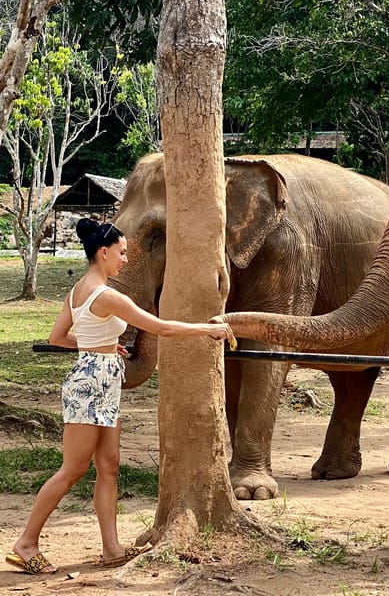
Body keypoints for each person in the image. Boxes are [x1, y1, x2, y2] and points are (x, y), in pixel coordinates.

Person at [5, 218, 235, 574]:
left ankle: (111, 549)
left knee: (109, 466)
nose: (125, 260)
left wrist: (101, 345)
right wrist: (207, 329)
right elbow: (160, 327)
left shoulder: (79, 290)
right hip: (89, 387)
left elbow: (58, 337)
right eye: (122, 252)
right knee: (73, 469)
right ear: (103, 251)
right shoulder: (107, 296)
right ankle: (26, 543)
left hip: (102, 381)